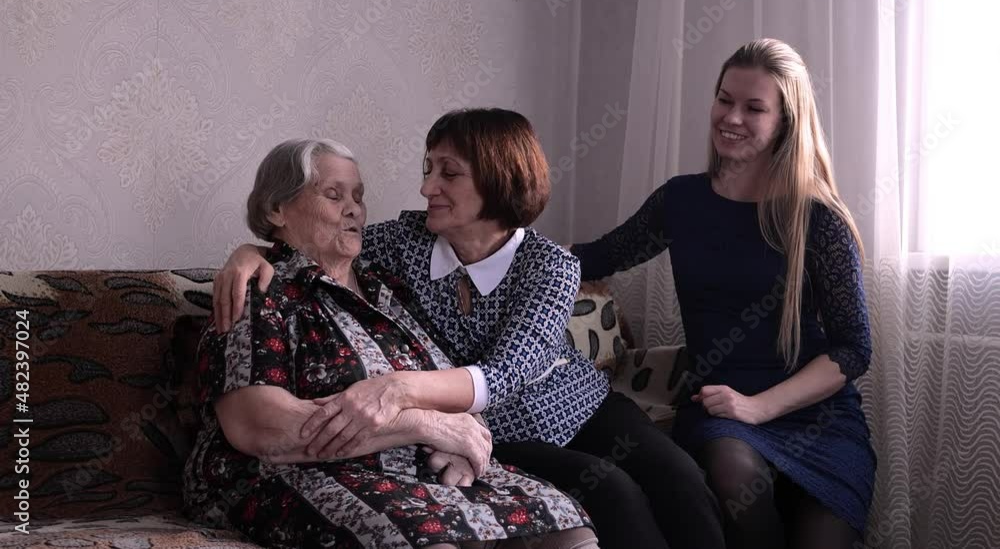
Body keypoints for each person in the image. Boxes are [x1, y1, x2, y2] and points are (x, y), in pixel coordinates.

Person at [213, 110, 726, 549]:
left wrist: (396, 389)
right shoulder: (400, 244)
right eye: (427, 168)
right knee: (614, 492)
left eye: (447, 173)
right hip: (491, 431)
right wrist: (250, 252)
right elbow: (316, 246)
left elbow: (505, 373)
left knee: (679, 478)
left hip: (572, 403)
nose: (425, 186)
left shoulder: (550, 266)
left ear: (496, 181)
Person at [184, 138, 599, 549]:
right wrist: (422, 424)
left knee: (563, 522)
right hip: (299, 475)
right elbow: (259, 426)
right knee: (424, 535)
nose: (355, 210)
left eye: (359, 197)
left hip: (412, 472)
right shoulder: (258, 291)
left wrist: (465, 442)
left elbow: (457, 381)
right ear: (277, 208)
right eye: (333, 195)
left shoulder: (387, 288)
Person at [570, 38, 876, 549]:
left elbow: (853, 349)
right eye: (724, 98)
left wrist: (759, 408)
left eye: (753, 107)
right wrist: (496, 242)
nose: (730, 116)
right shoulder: (682, 201)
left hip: (816, 420)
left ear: (786, 122)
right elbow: (597, 257)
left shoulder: (817, 218)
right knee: (733, 471)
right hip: (720, 410)